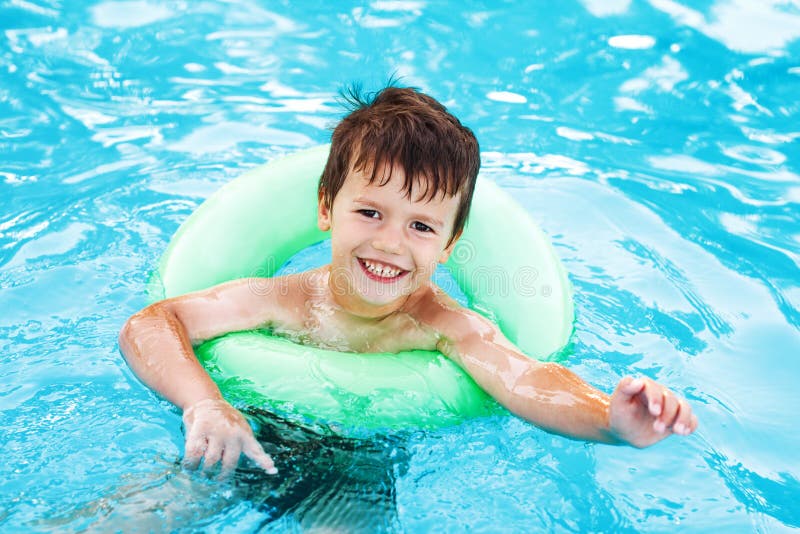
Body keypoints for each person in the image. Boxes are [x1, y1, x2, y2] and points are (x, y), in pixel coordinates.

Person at [119, 85, 698, 477]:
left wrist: (610, 420)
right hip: (245, 431)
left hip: (361, 465)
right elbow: (151, 324)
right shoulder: (284, 300)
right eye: (370, 212)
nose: (390, 244)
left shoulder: (445, 325)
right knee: (143, 510)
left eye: (421, 225)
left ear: (448, 245)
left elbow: (528, 378)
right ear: (326, 209)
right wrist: (205, 405)